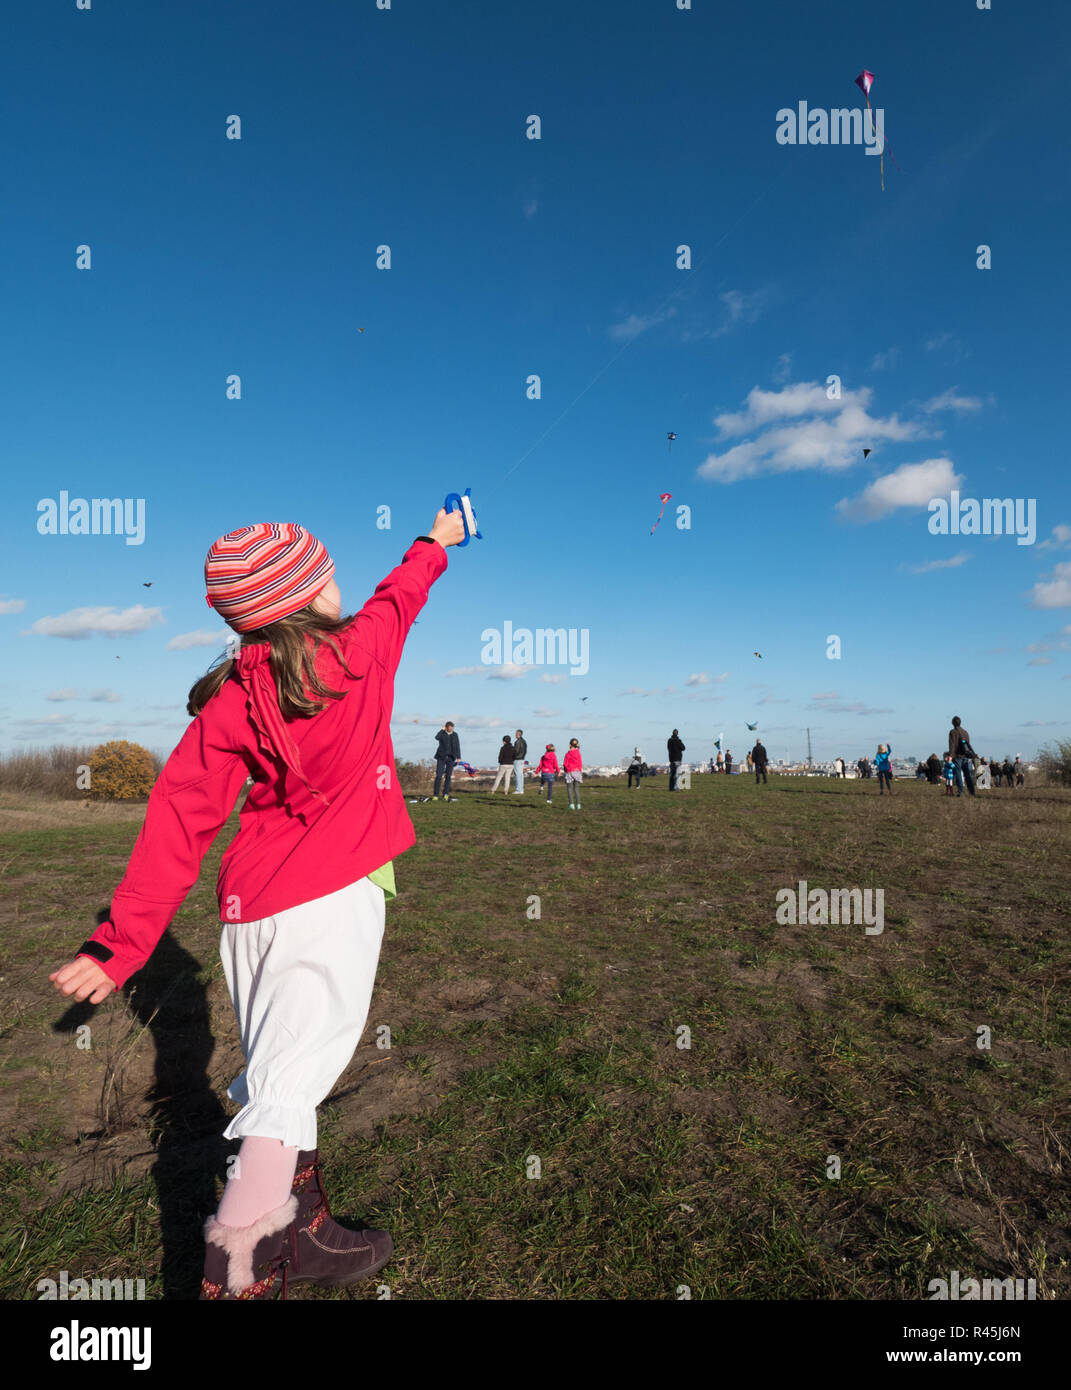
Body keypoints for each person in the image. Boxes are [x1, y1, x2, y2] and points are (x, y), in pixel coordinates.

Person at [48, 508, 465, 1301]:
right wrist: (435, 543)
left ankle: (298, 1235)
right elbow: (399, 593)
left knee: (281, 1068)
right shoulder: (362, 650)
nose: (342, 584)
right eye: (328, 573)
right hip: (328, 901)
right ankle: (236, 1273)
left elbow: (179, 819)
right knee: (284, 1088)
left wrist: (120, 943)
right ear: (311, 596)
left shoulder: (230, 699)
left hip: (252, 911)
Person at [947, 716, 976, 797]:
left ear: (953, 723)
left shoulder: (953, 732)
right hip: (965, 756)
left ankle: (961, 792)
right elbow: (968, 745)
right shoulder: (965, 732)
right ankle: (972, 792)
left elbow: (952, 745)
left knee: (958, 773)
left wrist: (951, 755)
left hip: (957, 756)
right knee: (967, 774)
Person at [433, 720, 460, 800]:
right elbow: (436, 737)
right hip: (441, 757)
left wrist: (458, 757)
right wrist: (442, 730)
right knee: (438, 776)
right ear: (446, 727)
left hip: (451, 758)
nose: (451, 729)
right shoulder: (442, 734)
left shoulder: (455, 735)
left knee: (448, 777)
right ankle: (436, 795)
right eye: (449, 728)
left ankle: (445, 794)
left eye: (452, 728)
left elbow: (457, 746)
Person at [563, 738, 583, 810]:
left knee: (569, 789)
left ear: (569, 745)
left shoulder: (568, 754)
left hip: (570, 772)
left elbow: (565, 764)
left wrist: (566, 770)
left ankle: (571, 805)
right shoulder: (578, 753)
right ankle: (578, 805)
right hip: (577, 772)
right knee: (576, 789)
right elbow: (580, 763)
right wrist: (579, 770)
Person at [512, 729, 527, 793]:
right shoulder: (524, 741)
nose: (515, 734)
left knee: (517, 774)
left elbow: (516, 751)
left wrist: (513, 757)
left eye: (516, 733)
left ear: (518, 734)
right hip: (522, 759)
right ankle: (521, 789)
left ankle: (518, 789)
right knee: (520, 775)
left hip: (517, 759)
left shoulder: (517, 742)